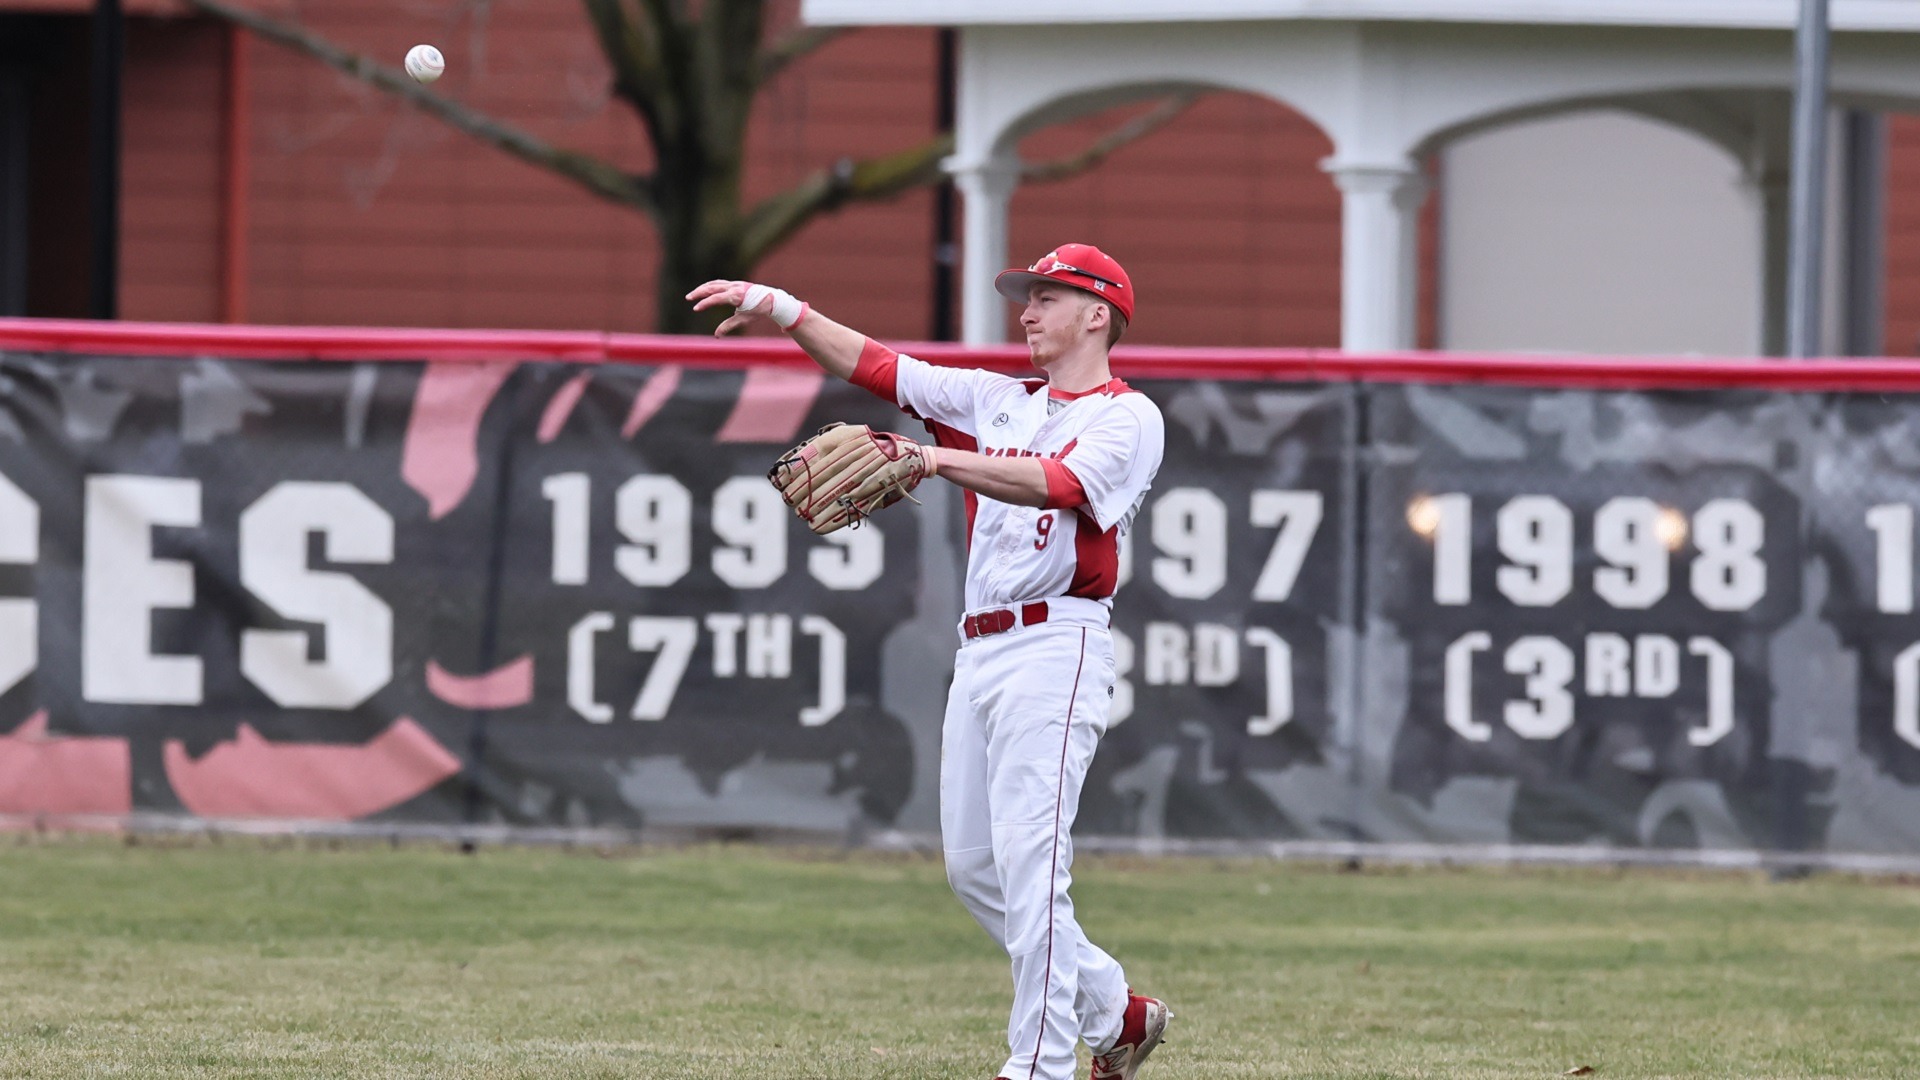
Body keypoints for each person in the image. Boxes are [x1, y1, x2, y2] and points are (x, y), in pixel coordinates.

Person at [688, 243, 1170, 1080]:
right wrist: (782, 308)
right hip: (980, 648)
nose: (1025, 311)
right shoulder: (995, 399)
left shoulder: (1128, 417)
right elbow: (877, 366)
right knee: (974, 869)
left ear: (1100, 314)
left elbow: (1057, 485)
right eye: (1025, 297)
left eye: (1047, 297)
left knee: (1031, 868)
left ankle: (1040, 1066)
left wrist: (934, 458)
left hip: (1058, 644)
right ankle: (1114, 1012)